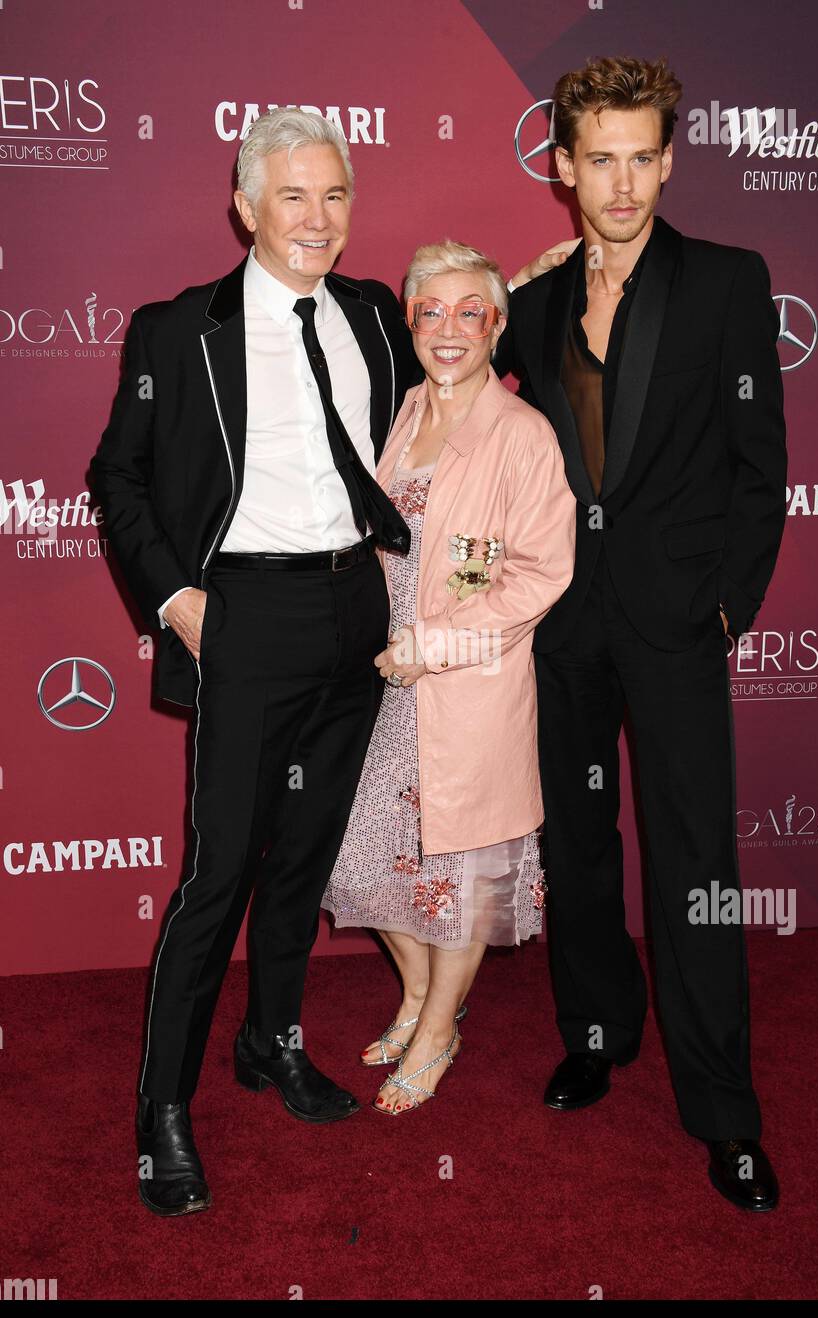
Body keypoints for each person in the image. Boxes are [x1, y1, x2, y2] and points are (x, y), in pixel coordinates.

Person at [89, 107, 424, 1216]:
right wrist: (178, 599)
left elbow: (477, 325)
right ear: (244, 206)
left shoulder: (374, 315)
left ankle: (270, 1039)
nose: (319, 218)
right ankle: (163, 1109)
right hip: (247, 614)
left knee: (302, 858)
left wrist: (567, 268)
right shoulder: (177, 330)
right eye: (294, 195)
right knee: (220, 870)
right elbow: (116, 476)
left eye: (336, 195)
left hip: (353, 608)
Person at [496, 56, 787, 1211]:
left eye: (642, 158)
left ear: (667, 160)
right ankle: (598, 1029)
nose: (622, 184)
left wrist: (722, 608)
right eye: (598, 159)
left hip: (674, 624)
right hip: (564, 622)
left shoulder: (726, 281)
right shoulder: (534, 303)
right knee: (576, 839)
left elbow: (762, 473)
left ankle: (726, 1112)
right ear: (562, 166)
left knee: (695, 863)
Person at [322, 240, 576, 1115]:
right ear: (410, 321)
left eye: (472, 311)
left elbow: (538, 574)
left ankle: (436, 1030)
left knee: (460, 874)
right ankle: (423, 998)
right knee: (368, 864)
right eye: (431, 311)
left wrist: (431, 645)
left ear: (498, 325)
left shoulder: (521, 433)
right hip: (378, 683)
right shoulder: (402, 412)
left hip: (463, 679)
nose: (449, 329)